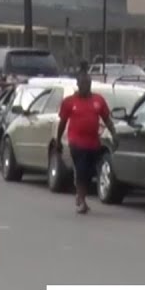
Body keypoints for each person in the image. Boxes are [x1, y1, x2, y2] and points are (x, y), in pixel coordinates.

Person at [56, 73, 117, 214]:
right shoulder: (69, 102)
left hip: (93, 143)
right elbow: (63, 123)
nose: (86, 87)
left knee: (89, 172)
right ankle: (81, 200)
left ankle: (81, 194)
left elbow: (107, 119)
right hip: (76, 142)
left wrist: (114, 134)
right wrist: (58, 140)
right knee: (81, 169)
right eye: (83, 84)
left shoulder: (98, 100)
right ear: (78, 85)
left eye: (88, 84)